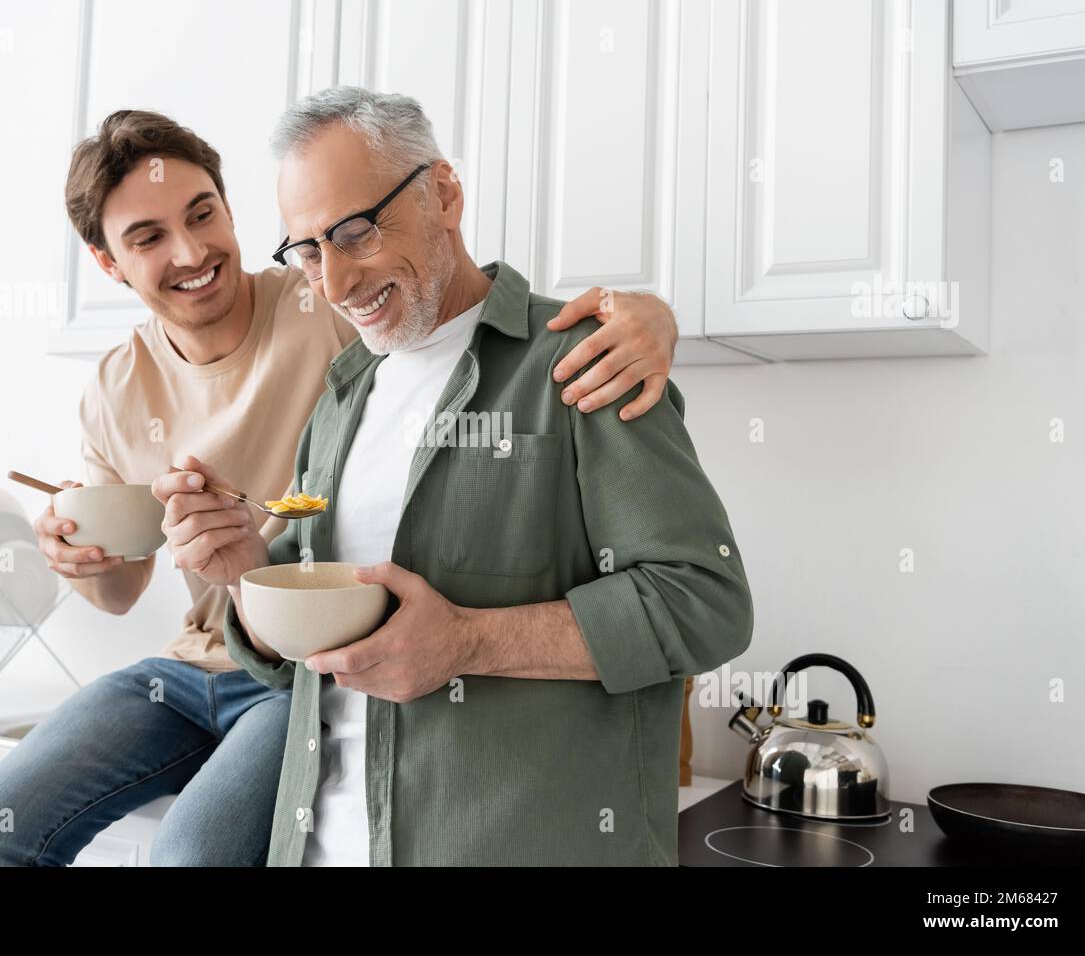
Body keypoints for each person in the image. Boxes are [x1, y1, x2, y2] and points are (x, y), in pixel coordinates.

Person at [0, 106, 684, 866]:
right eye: (148, 236)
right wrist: (78, 556)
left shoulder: (329, 308)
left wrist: (651, 313)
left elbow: (462, 304)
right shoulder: (117, 382)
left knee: (189, 856)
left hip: (300, 675)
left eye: (203, 214)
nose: (192, 250)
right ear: (108, 262)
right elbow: (122, 586)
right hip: (200, 659)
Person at [157, 87, 754, 866]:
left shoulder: (581, 359)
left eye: (356, 232)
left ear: (443, 192)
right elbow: (295, 664)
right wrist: (244, 575)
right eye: (308, 251)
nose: (334, 284)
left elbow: (706, 603)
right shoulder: (342, 396)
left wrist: (469, 641)